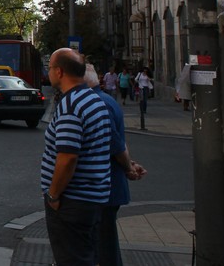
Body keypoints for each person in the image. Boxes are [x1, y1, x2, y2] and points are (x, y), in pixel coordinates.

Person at [40, 48, 114, 266]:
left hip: (73, 201)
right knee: (85, 256)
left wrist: (53, 195)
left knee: (73, 260)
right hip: (92, 198)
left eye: (50, 67)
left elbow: (68, 157)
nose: (49, 72)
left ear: (59, 71)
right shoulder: (95, 99)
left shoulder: (71, 106)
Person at [85, 63, 146, 266]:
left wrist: (128, 167)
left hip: (104, 187)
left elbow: (114, 143)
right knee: (103, 242)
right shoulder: (105, 100)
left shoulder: (97, 103)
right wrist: (129, 164)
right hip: (107, 185)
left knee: (104, 245)